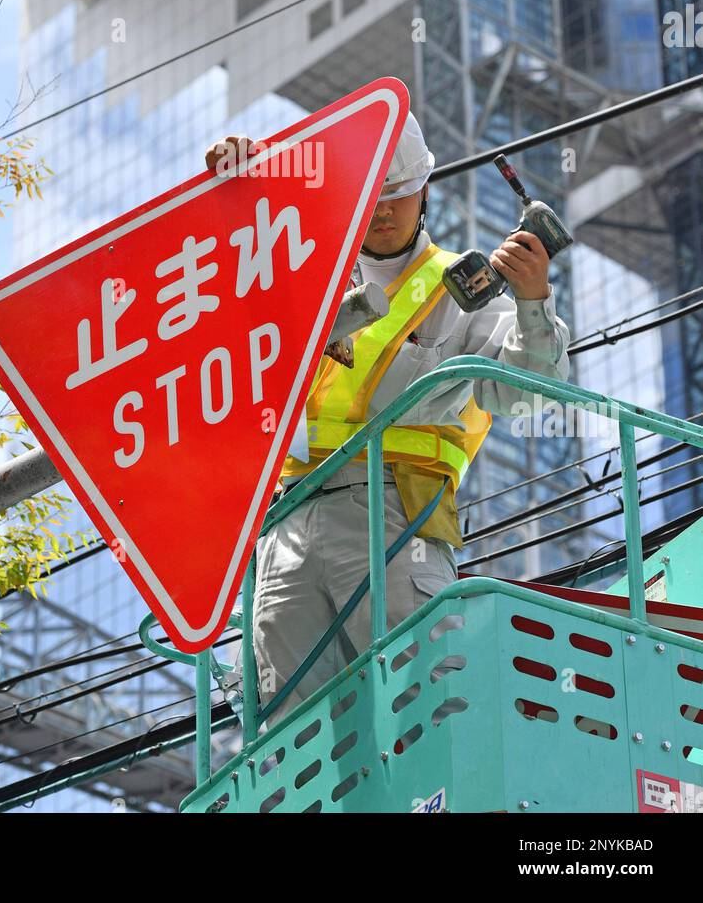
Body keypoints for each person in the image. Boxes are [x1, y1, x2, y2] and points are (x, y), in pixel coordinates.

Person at [204, 112, 570, 724]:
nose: (383, 211)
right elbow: (214, 318)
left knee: (427, 704)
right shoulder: (298, 276)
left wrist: (534, 300)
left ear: (424, 191)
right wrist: (238, 191)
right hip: (285, 526)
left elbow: (529, 396)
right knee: (290, 732)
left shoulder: (456, 290)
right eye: (371, 196)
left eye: (398, 194)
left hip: (396, 515)